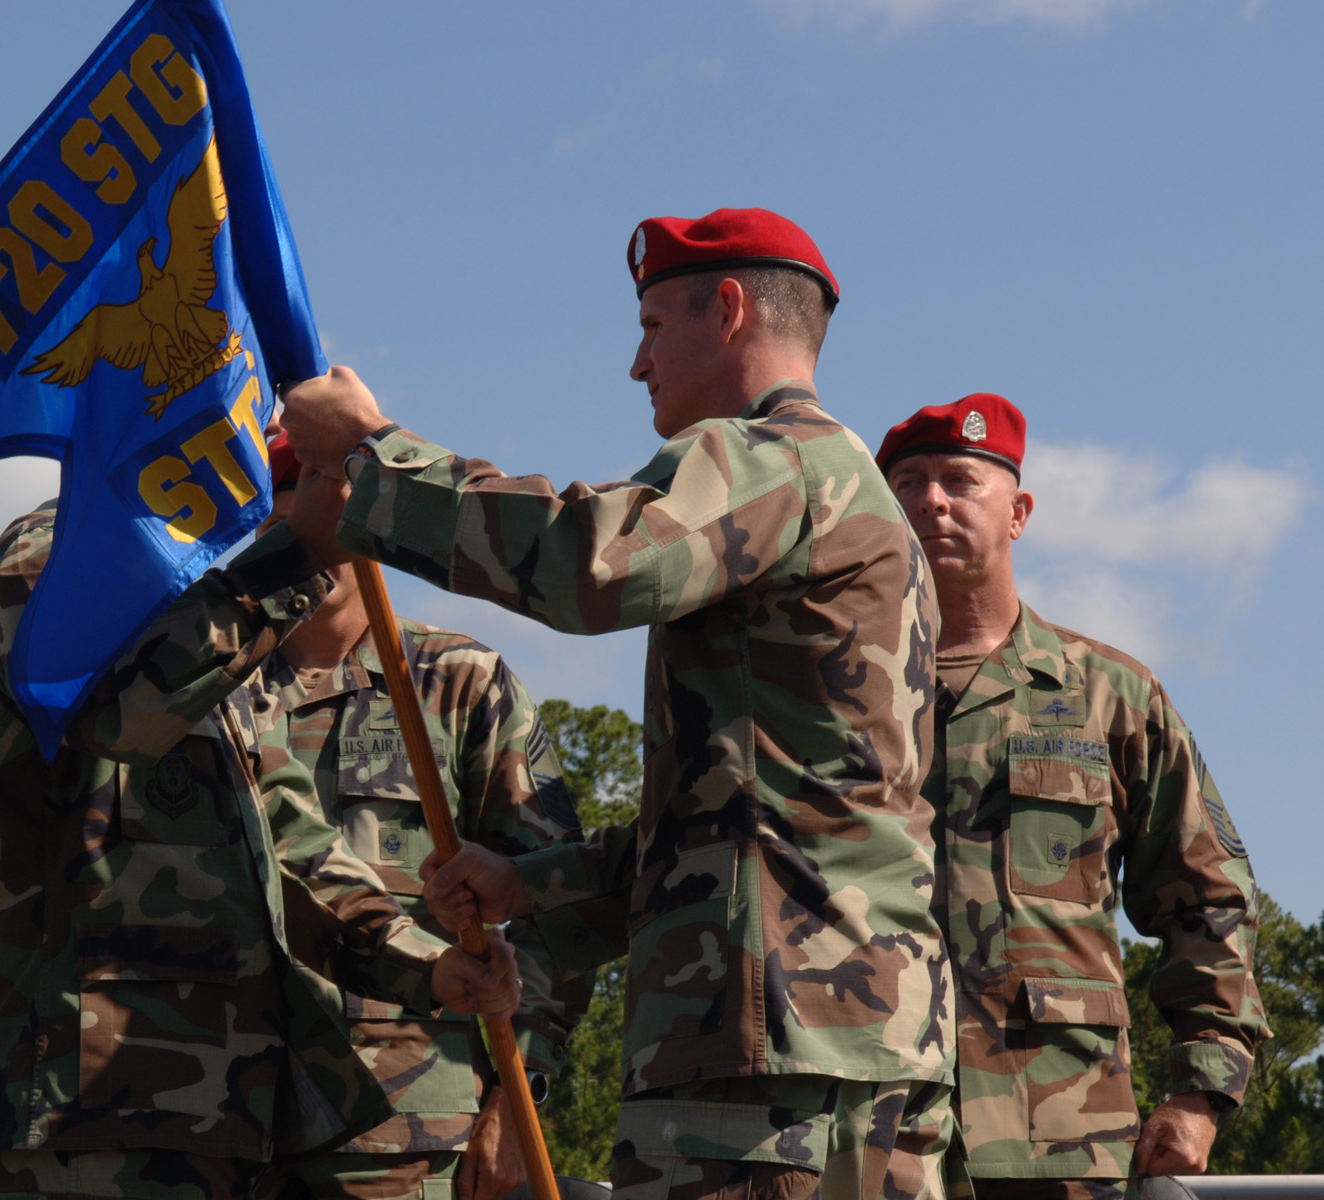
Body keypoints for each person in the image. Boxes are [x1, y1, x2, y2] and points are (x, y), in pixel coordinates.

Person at [280, 207, 951, 1200]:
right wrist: (531, 883)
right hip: (846, 1047)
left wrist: (377, 454)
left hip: (774, 1063)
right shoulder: (846, 494)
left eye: (649, 327)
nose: (637, 365)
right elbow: (754, 825)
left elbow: (588, 564)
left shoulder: (771, 459)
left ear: (727, 310)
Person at [0, 461, 521, 1200]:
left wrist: (433, 969)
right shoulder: (43, 562)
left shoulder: (200, 619)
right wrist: (299, 553)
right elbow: (120, 713)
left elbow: (294, 846)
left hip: (228, 1125)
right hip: (81, 1118)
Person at [875, 393, 1270, 1199]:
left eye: (959, 479)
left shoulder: (1109, 695)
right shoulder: (830, 695)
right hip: (869, 1135)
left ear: (1017, 512)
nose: (931, 501)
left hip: (1060, 1141)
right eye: (908, 484)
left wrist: (1200, 1092)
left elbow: (1210, 895)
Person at [247, 437, 592, 1200]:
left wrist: (517, 1092)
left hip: (405, 1134)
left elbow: (553, 904)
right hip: (228, 1120)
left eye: (320, 522)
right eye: (279, 526)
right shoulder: (214, 693)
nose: (301, 550)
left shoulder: (457, 685)